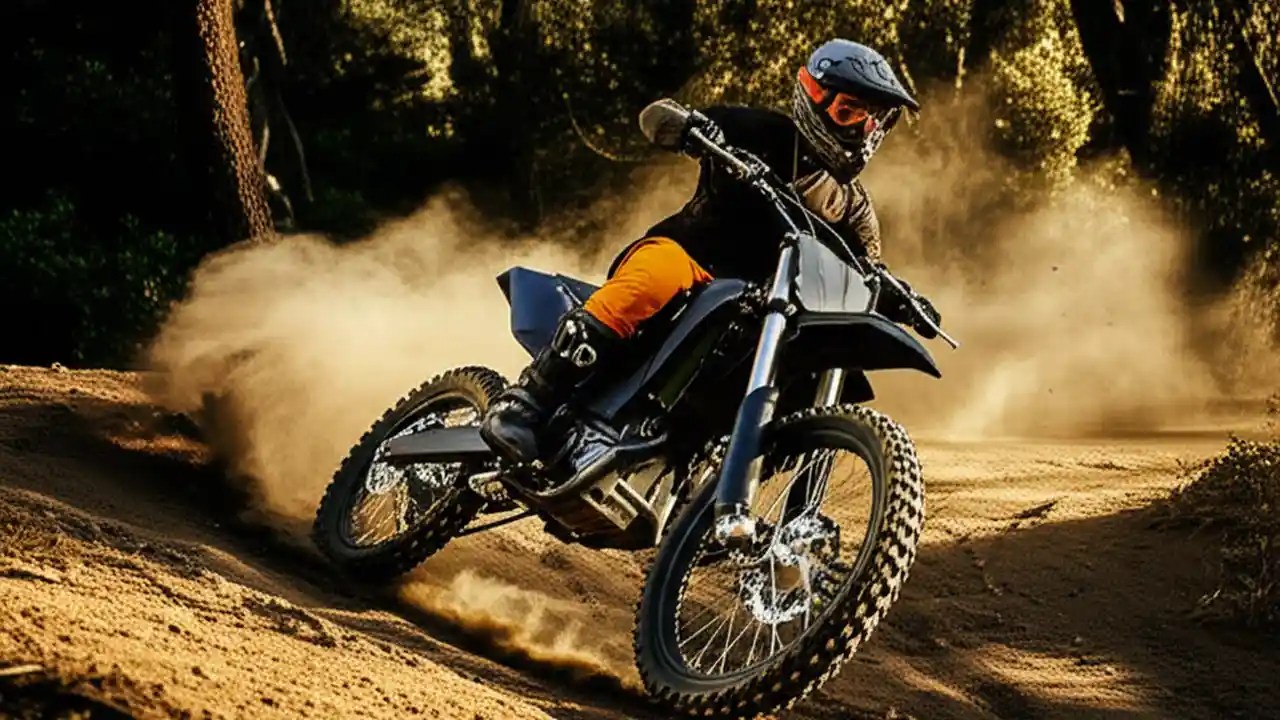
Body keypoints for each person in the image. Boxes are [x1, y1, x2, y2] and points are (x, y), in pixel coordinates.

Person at [480, 38, 938, 465]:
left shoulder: (856, 209)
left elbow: (867, 270)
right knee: (656, 277)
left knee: (830, 366)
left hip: (761, 310)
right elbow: (678, 120)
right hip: (692, 260)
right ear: (813, 96)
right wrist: (684, 125)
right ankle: (528, 401)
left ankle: (762, 509)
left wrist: (898, 297)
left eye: (876, 120)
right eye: (849, 111)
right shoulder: (760, 131)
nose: (863, 130)